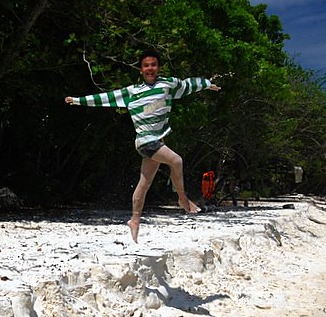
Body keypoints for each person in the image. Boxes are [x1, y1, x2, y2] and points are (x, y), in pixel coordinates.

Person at [65, 50, 220, 243]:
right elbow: (106, 98)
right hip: (146, 141)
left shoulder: (168, 84)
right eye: (146, 65)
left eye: (153, 65)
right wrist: (77, 100)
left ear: (158, 67)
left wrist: (207, 84)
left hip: (158, 141)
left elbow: (188, 85)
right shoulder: (132, 92)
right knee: (176, 161)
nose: (150, 68)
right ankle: (182, 199)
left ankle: (135, 220)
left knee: (144, 183)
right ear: (141, 70)